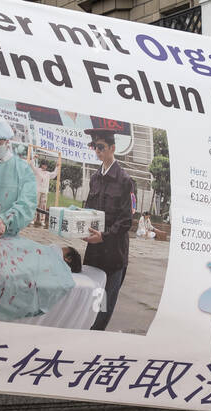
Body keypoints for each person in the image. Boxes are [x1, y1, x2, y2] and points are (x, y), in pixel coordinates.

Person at [83, 129, 134, 331]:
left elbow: (126, 220)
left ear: (113, 148)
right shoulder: (95, 178)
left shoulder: (125, 180)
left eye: (101, 147)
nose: (97, 151)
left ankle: (96, 339)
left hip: (113, 255)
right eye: (95, 147)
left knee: (104, 305)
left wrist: (103, 237)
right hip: (94, 253)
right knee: (91, 300)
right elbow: (88, 209)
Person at [30, 151, 62, 227]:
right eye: (44, 165)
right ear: (41, 165)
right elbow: (31, 165)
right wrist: (34, 158)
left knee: (43, 206)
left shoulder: (47, 173)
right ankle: (32, 219)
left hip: (44, 191)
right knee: (35, 205)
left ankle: (42, 220)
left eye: (46, 165)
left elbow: (54, 175)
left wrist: (57, 167)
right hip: (37, 190)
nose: (45, 166)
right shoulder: (37, 170)